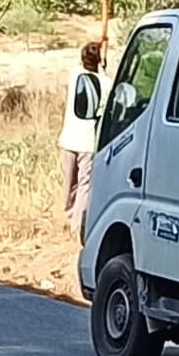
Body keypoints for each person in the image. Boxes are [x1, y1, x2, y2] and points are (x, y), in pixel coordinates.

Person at [59, 42, 108, 236]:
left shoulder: (75, 75)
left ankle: (69, 215)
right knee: (84, 184)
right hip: (88, 141)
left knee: (69, 182)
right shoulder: (105, 82)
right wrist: (103, 69)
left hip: (69, 137)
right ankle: (77, 225)